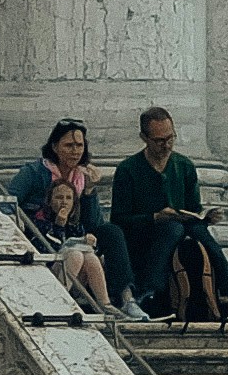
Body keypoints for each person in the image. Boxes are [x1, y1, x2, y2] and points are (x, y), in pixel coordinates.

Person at [109, 106, 228, 328]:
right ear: (143, 138)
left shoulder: (184, 166)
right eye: (158, 140)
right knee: (172, 228)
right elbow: (118, 220)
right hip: (142, 238)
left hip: (181, 230)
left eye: (170, 138)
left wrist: (206, 217)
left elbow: (193, 208)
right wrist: (154, 217)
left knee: (196, 229)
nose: (166, 145)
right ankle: (149, 293)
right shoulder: (128, 169)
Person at [10, 119, 147, 322]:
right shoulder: (34, 173)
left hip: (73, 235)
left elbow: (94, 223)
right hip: (40, 237)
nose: (75, 151)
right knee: (75, 255)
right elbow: (8, 202)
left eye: (79, 146)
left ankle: (125, 299)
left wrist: (90, 190)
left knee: (111, 232)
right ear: (55, 147)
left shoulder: (81, 177)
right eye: (69, 145)